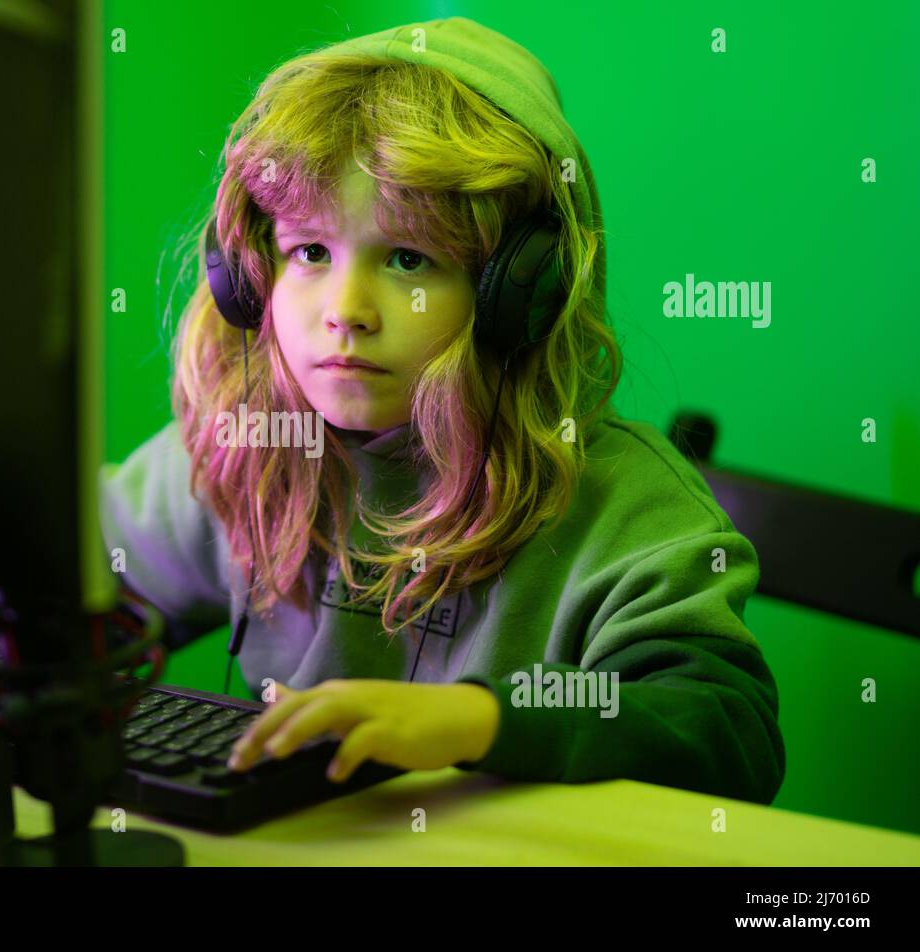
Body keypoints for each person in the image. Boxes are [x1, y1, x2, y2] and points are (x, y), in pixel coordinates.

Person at [98, 17, 785, 803]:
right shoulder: (248, 445)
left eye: (409, 259)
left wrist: (472, 722)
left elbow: (729, 732)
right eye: (310, 252)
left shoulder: (623, 503)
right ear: (250, 275)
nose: (346, 310)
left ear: (518, 292)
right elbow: (69, 584)